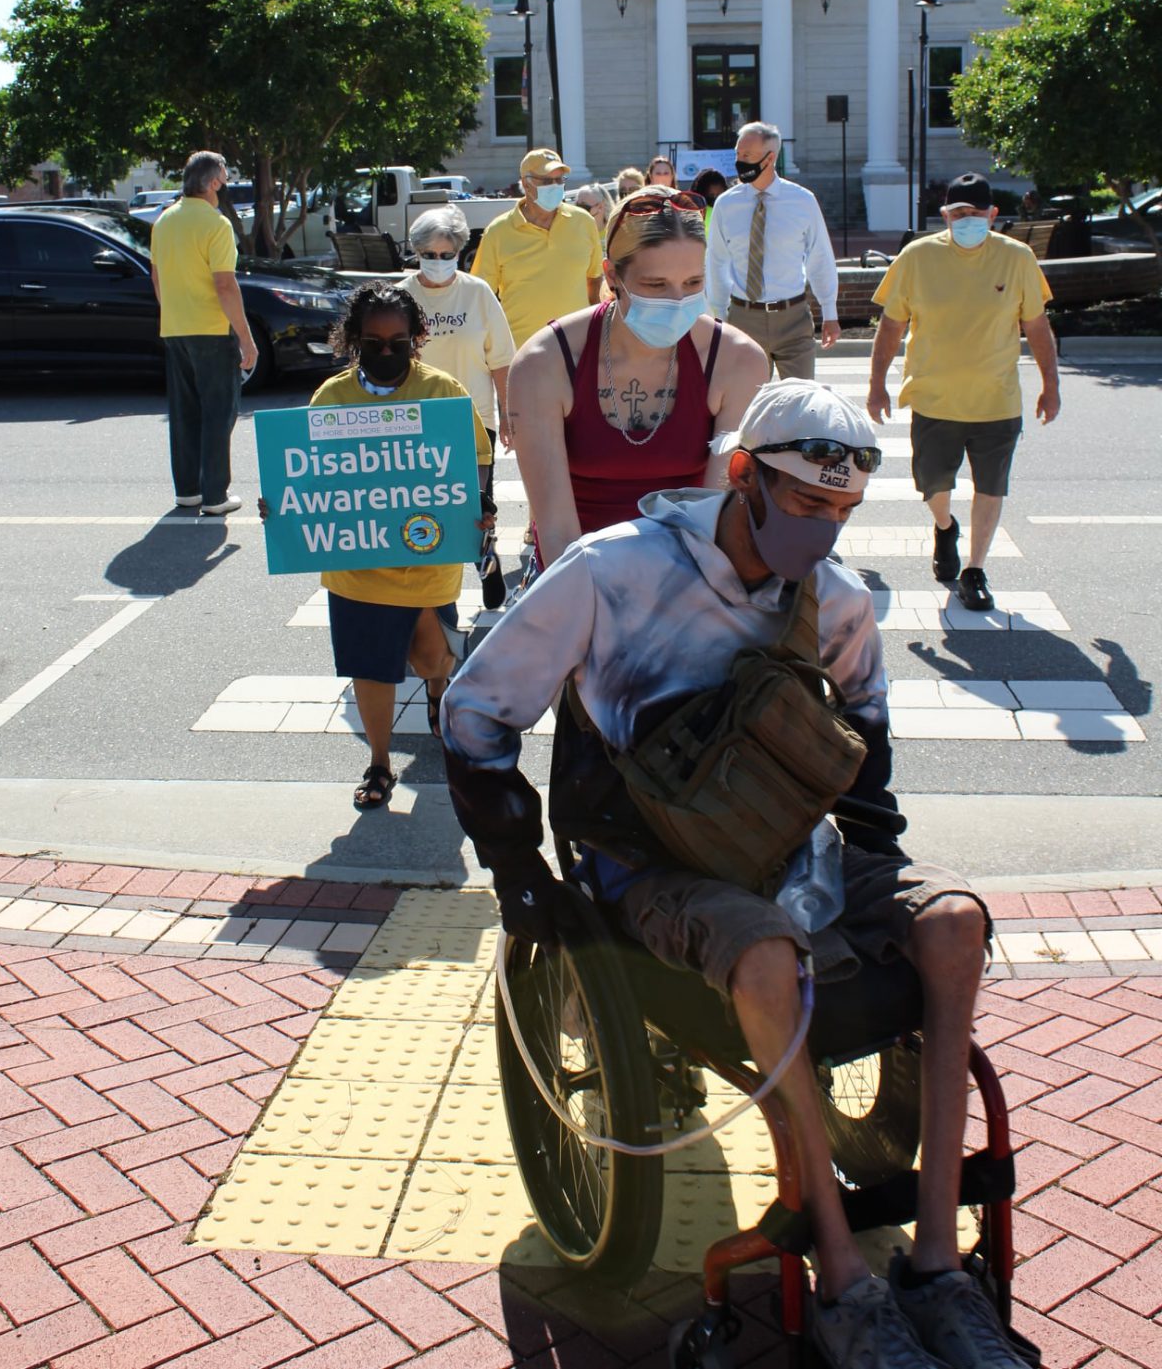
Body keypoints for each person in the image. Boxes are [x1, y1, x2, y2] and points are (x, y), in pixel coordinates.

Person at [442, 379, 1023, 1369]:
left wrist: (875, 889)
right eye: (805, 503)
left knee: (957, 919)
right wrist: (518, 866)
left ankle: (935, 1259)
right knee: (765, 955)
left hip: (795, 839)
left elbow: (866, 754)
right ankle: (843, 1276)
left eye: (841, 511)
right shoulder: (613, 572)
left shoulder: (834, 597)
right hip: (647, 859)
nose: (823, 529)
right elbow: (474, 709)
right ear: (746, 476)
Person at [288, 284, 493, 810]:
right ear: (354, 339)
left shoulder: (442, 391)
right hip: (358, 567)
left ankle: (436, 695)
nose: (386, 352)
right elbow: (305, 475)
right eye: (373, 342)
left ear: (417, 338)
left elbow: (476, 458)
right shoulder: (332, 399)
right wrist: (285, 506)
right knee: (372, 668)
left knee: (431, 657)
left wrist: (481, 502)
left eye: (397, 341)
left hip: (428, 560)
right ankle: (379, 762)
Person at [508, 187, 769, 569]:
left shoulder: (738, 361)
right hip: (579, 579)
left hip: (691, 576)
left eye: (693, 283)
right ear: (612, 275)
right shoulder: (544, 362)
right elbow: (556, 530)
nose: (679, 301)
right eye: (656, 286)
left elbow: (717, 516)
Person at [867, 172, 1060, 613]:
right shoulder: (917, 257)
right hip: (934, 398)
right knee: (932, 483)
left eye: (976, 214)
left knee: (992, 486)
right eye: (958, 214)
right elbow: (892, 324)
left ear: (992, 215)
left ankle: (975, 569)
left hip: (997, 399)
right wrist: (877, 385)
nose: (967, 221)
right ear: (945, 216)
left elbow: (1036, 325)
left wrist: (1051, 385)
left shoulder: (1017, 258)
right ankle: (944, 525)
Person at [399, 203, 516, 606]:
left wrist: (509, 416)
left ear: (460, 252)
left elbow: (501, 360)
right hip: (414, 423)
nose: (437, 262)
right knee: (419, 511)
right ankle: (429, 592)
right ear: (416, 253)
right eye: (428, 255)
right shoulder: (400, 297)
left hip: (473, 419)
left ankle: (485, 558)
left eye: (446, 254)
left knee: (473, 508)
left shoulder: (477, 293)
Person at [150, 150, 258, 516]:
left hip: (175, 328)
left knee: (184, 412)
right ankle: (215, 496)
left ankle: (188, 491)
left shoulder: (164, 221)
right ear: (212, 183)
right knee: (219, 411)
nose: (225, 188)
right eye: (224, 181)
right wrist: (246, 338)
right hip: (211, 329)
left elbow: (157, 276)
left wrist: (173, 312)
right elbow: (225, 285)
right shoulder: (216, 225)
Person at [706, 121, 840, 380]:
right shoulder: (726, 205)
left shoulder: (802, 201)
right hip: (744, 318)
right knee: (748, 406)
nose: (740, 161)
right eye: (738, 154)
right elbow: (717, 262)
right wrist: (720, 316)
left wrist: (830, 313)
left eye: (748, 156)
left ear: (770, 158)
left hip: (793, 318)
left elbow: (820, 258)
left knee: (800, 404)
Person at [470, 148, 603, 351]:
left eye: (559, 180)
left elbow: (594, 280)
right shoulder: (498, 232)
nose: (555, 186)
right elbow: (481, 297)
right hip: (521, 352)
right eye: (547, 181)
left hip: (577, 349)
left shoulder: (583, 222)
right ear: (526, 183)